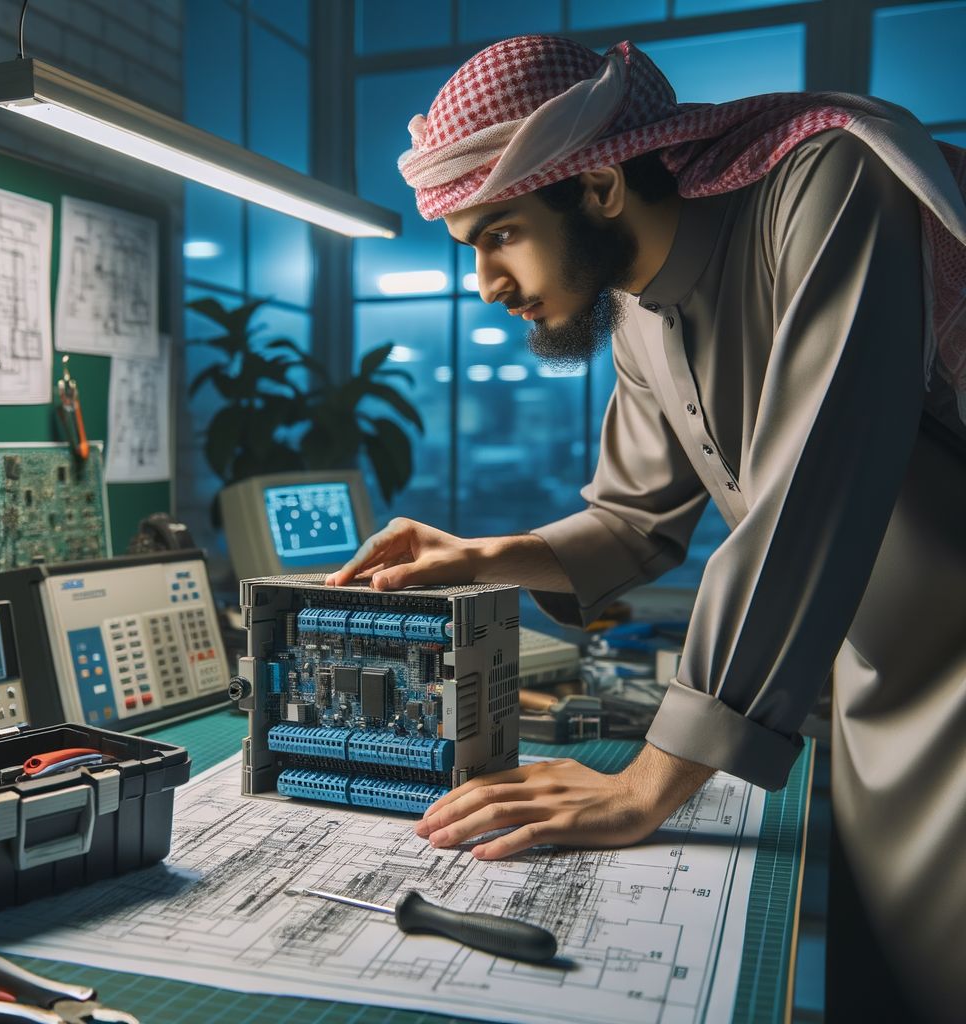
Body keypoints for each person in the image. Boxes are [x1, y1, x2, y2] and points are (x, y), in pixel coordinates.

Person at [326, 36, 966, 1023]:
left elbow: (814, 489)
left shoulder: (827, 184)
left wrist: (648, 784)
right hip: (870, 702)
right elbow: (633, 519)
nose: (486, 283)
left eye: (500, 233)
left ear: (599, 183)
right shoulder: (635, 313)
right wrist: (483, 556)